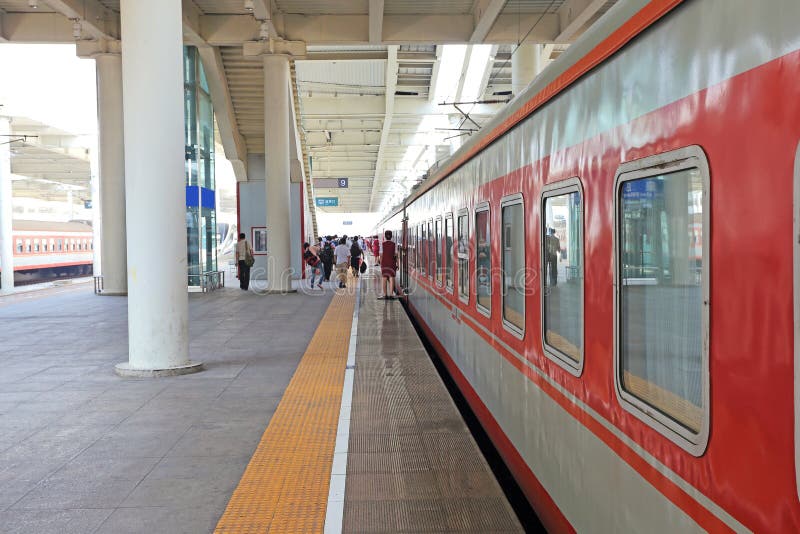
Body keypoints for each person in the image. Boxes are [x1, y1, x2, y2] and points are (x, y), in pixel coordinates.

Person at [377, 230, 397, 300]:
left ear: (385, 236)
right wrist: (397, 263)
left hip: (385, 263)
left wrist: (381, 264)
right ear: (391, 236)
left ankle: (385, 294)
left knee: (384, 278)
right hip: (392, 263)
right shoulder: (394, 244)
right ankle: (391, 294)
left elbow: (381, 255)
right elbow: (396, 254)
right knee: (392, 277)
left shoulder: (382, 244)